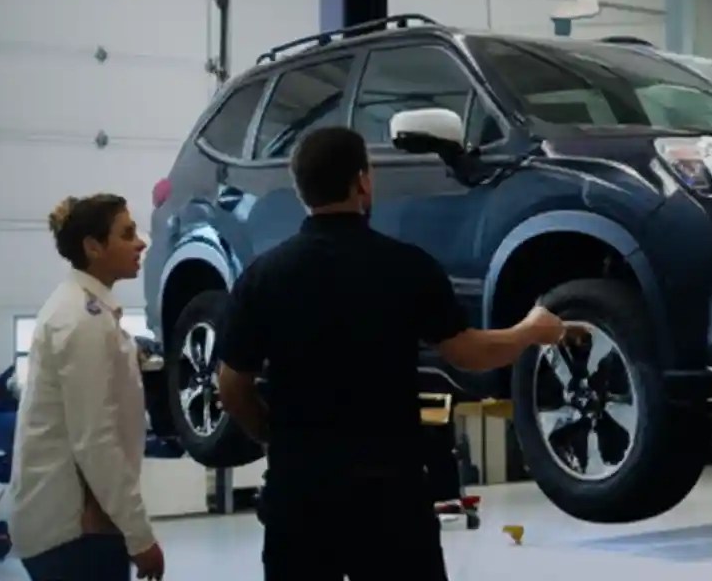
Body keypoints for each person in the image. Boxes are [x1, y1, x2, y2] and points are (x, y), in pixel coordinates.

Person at [216, 126, 580, 581]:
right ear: (362, 182)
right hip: (389, 498)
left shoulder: (262, 277)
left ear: (301, 190)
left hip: (300, 496)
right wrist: (529, 331)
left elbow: (231, 386)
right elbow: (468, 353)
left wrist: (275, 436)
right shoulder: (406, 266)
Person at [10, 193, 165, 581]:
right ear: (94, 247)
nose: (141, 242)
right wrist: (139, 536)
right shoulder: (81, 320)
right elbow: (95, 439)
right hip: (75, 532)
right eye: (127, 234)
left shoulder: (86, 310)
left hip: (80, 524)